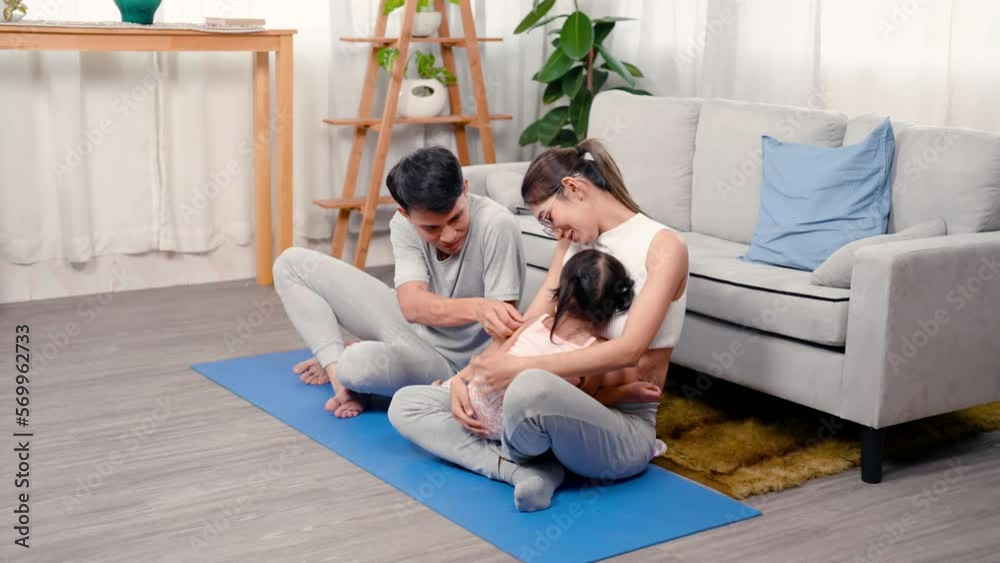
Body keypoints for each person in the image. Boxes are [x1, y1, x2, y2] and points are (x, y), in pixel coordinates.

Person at [388, 139, 689, 512]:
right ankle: (525, 471)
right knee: (408, 404)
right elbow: (529, 323)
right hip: (544, 409)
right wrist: (465, 379)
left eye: (548, 218)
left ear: (574, 189)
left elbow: (629, 349)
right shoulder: (573, 243)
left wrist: (518, 368)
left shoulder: (663, 246)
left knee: (530, 387)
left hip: (619, 426)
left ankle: (521, 453)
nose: (554, 231)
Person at [273, 147, 526, 418]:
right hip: (412, 328)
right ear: (405, 214)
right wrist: (478, 307)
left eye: (455, 218)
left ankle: (349, 369)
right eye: (431, 228)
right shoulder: (403, 224)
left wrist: (466, 380)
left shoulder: (497, 224)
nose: (448, 235)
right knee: (290, 263)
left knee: (356, 365)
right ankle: (339, 382)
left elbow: (502, 329)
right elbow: (411, 307)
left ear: (465, 189)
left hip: (452, 364)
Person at [434, 248, 663, 441]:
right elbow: (587, 404)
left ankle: (444, 397)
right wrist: (625, 393)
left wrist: (454, 384)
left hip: (474, 407)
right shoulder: (593, 352)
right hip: (514, 430)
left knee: (414, 406)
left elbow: (491, 362)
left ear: (561, 291)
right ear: (613, 308)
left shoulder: (534, 323)